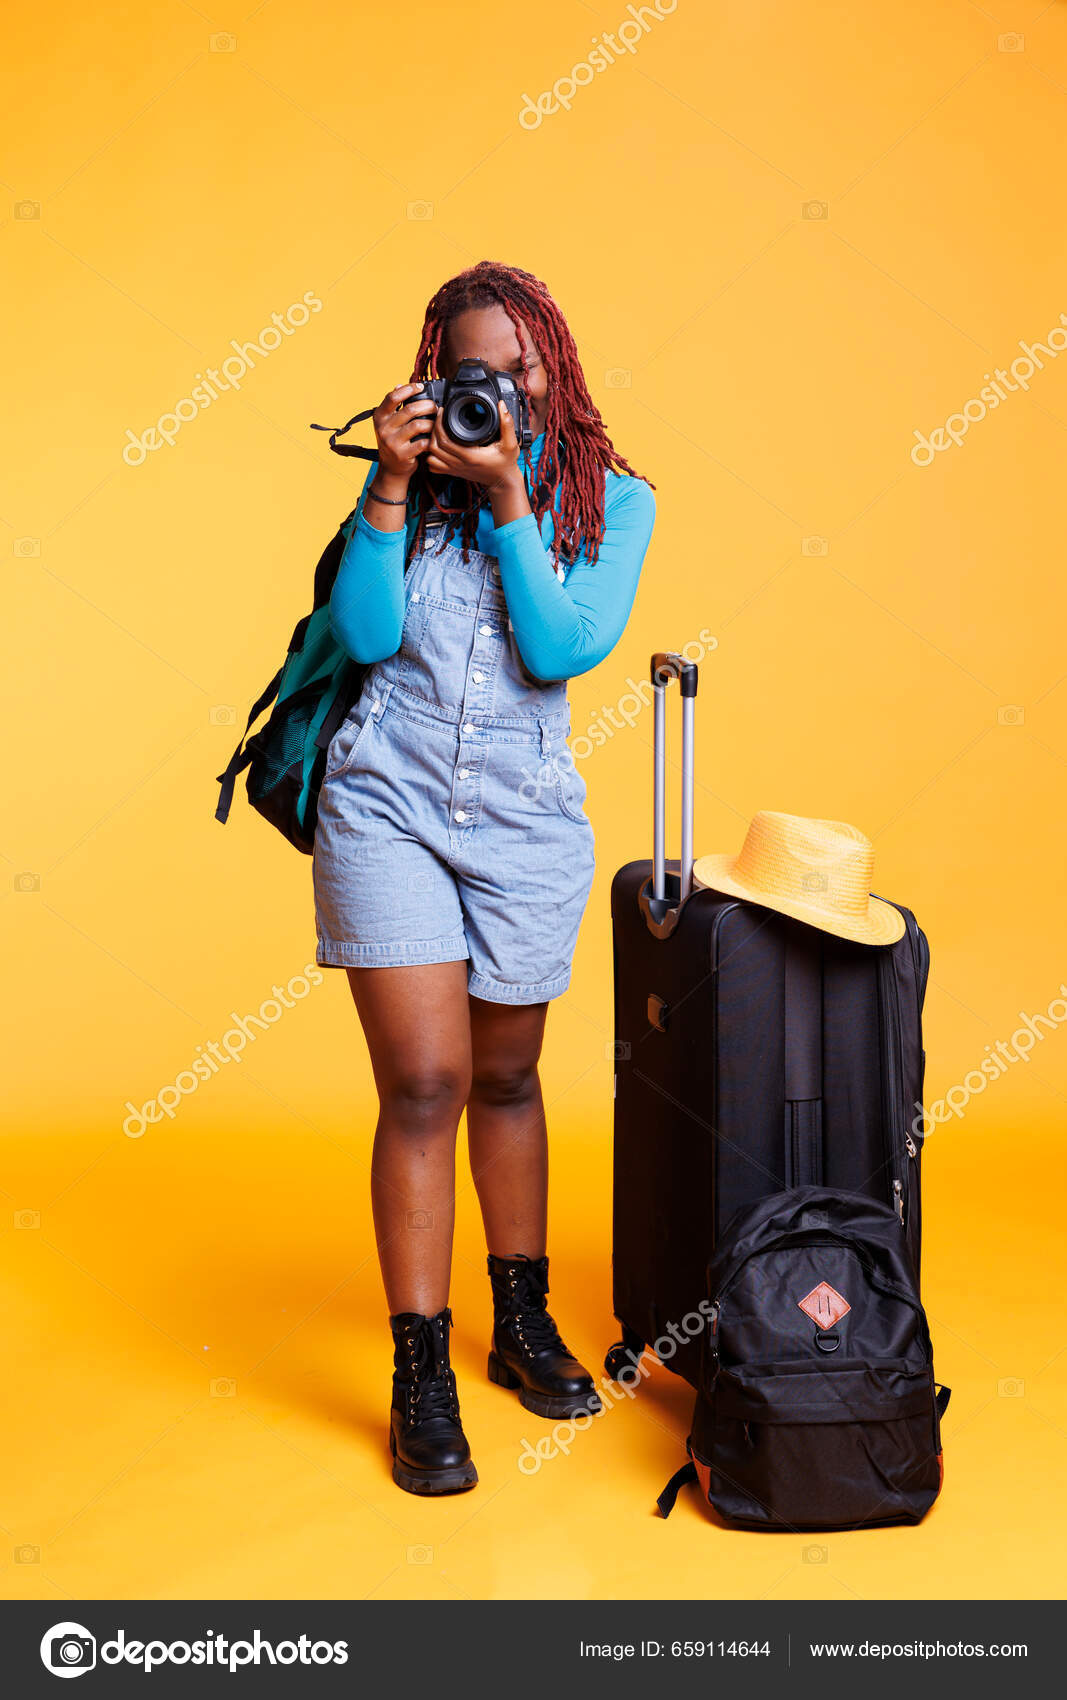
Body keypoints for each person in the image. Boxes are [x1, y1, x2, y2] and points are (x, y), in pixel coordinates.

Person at [313, 260, 655, 1494]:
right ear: (431, 374)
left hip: (521, 822)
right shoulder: (400, 484)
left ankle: (518, 1323)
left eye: (514, 370)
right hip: (386, 803)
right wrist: (394, 480)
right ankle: (420, 1372)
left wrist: (511, 494)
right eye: (470, 372)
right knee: (427, 1077)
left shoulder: (610, 499)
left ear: (550, 368)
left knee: (506, 1074)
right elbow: (362, 637)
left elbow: (565, 644)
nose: (493, 391)